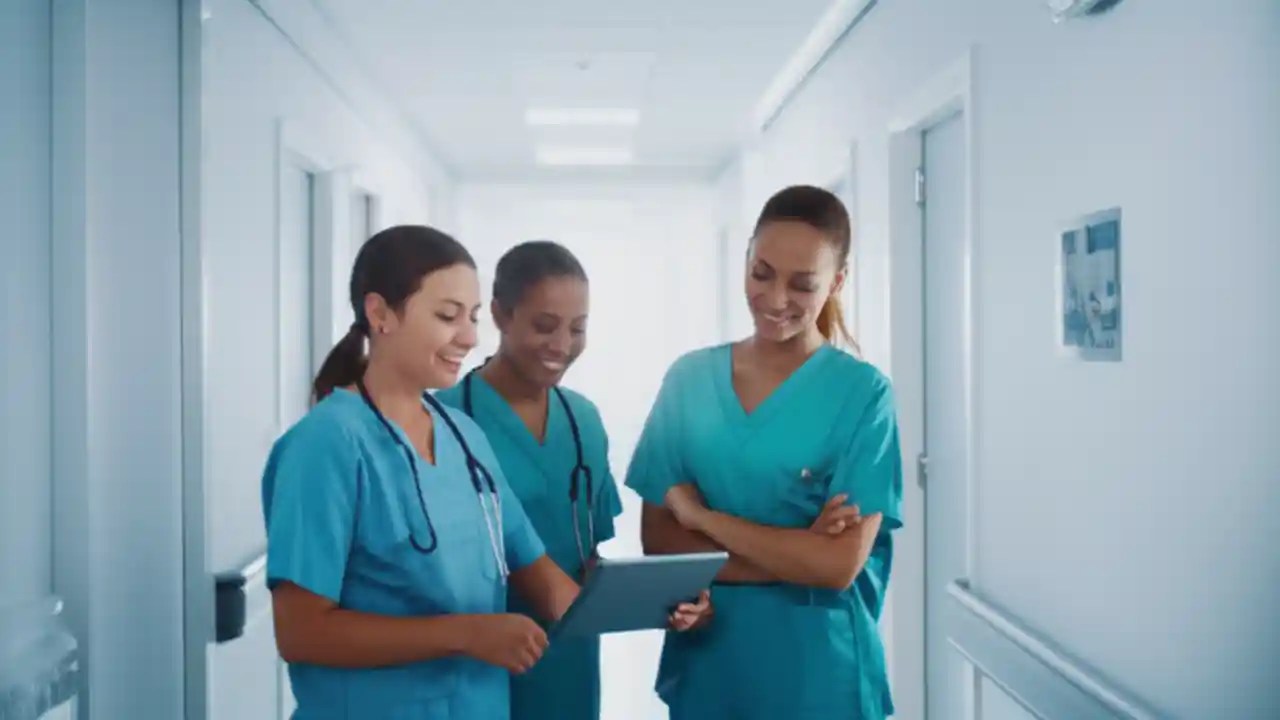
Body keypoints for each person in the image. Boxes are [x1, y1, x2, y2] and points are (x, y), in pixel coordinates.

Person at [260, 225, 708, 720]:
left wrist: (663, 604)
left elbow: (546, 581)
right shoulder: (325, 446)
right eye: (448, 316)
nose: (471, 338)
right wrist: (466, 633)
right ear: (380, 313)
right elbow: (302, 632)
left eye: (472, 317)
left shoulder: (464, 438)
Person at [625, 185, 905, 720]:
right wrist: (796, 553)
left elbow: (837, 566)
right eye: (761, 273)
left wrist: (703, 520)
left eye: (802, 285)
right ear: (747, 259)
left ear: (837, 282)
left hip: (821, 675)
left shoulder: (864, 396)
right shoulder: (690, 379)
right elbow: (661, 541)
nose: (776, 300)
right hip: (712, 664)